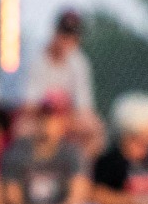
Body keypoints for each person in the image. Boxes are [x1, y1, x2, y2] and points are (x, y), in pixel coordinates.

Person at [23, 9, 98, 145]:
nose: (68, 41)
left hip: (66, 117)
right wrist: (52, 120)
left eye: (73, 37)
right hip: (39, 117)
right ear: (54, 32)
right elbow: (29, 105)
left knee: (93, 127)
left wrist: (65, 121)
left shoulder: (79, 61)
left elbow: (84, 107)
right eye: (64, 34)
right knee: (23, 128)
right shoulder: (35, 56)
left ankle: (82, 165)